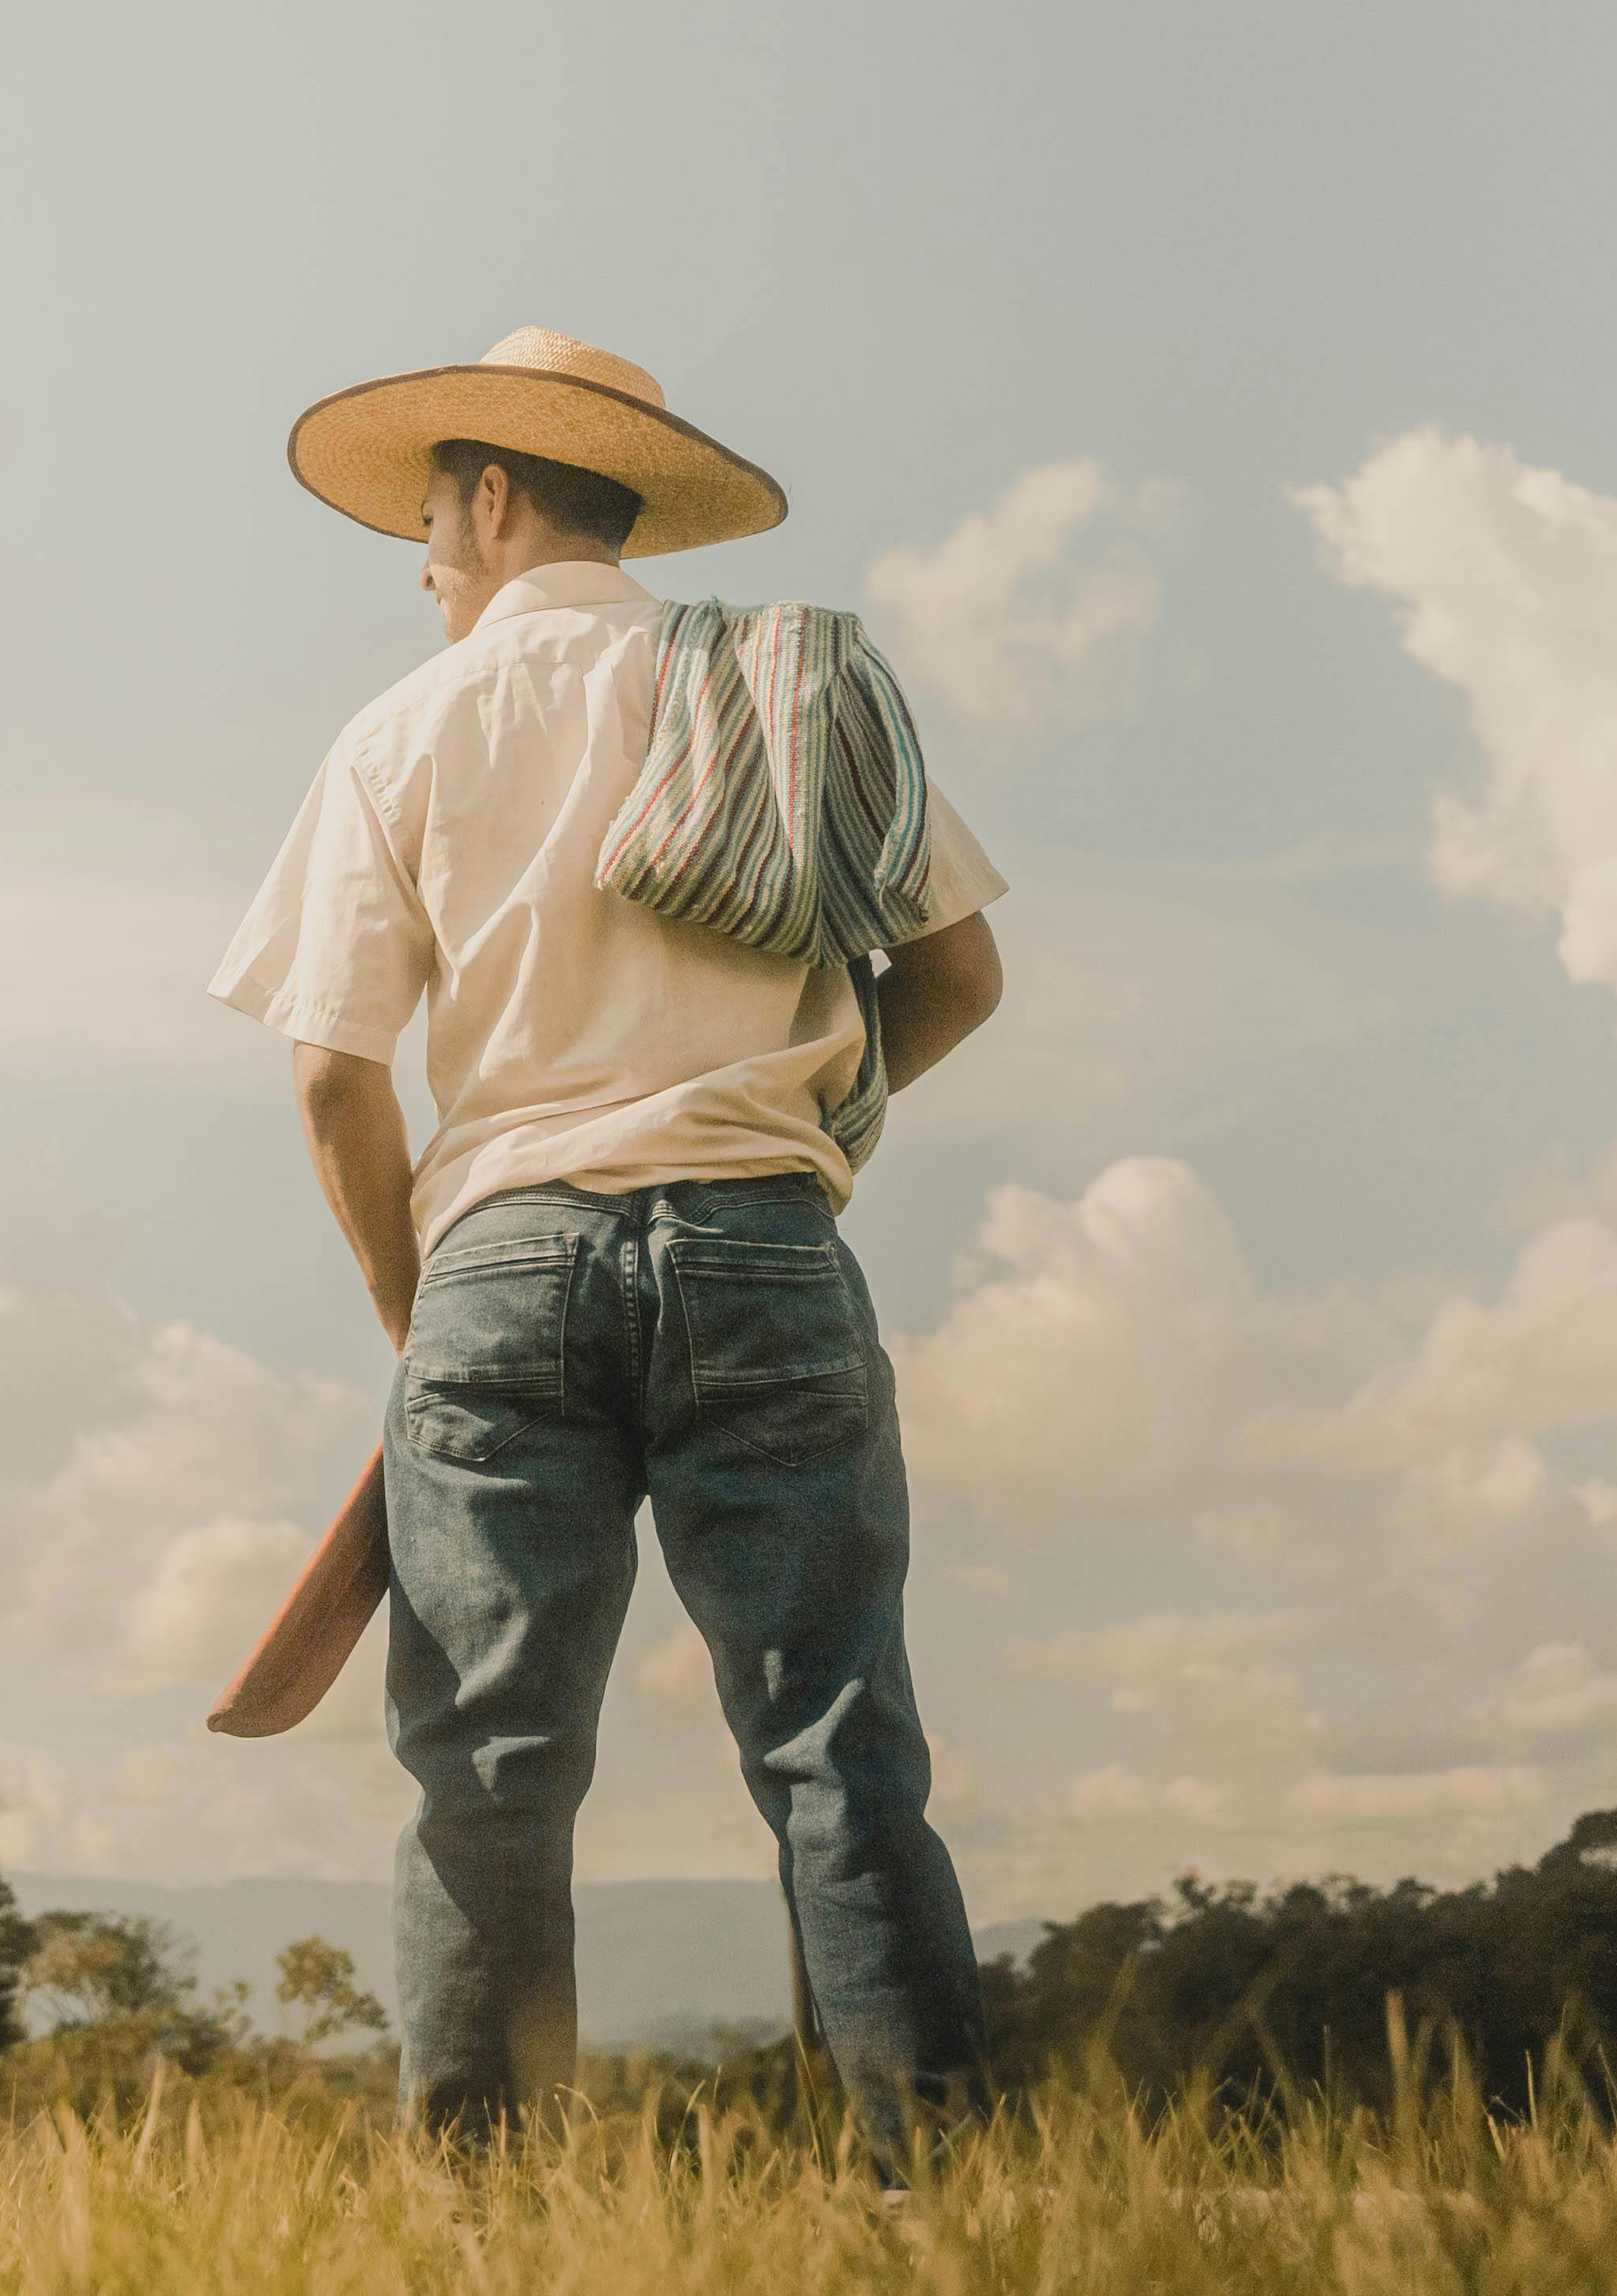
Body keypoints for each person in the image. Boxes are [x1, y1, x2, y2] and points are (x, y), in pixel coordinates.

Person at [210, 327, 1005, 2147]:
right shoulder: (771, 696)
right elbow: (957, 973)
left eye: (425, 519)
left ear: (492, 497)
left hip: (497, 1258)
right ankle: (936, 2205)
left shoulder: (402, 730)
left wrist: (428, 1320)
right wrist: (802, 1113)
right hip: (761, 1242)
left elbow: (334, 1077)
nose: (418, 564)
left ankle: (482, 2220)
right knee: (836, 1751)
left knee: (485, 1772)